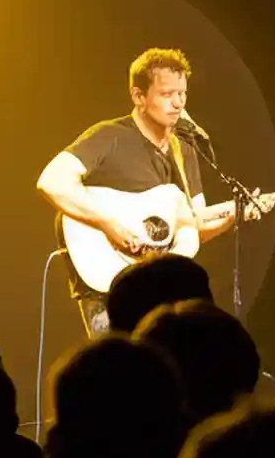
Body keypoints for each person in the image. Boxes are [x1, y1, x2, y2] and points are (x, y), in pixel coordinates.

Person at [36, 48, 248, 336]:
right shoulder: (109, 136)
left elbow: (193, 226)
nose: (178, 103)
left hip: (156, 286)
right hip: (106, 280)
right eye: (166, 94)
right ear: (138, 96)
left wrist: (235, 215)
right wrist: (107, 224)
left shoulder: (184, 151)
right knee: (117, 359)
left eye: (182, 94)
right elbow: (52, 181)